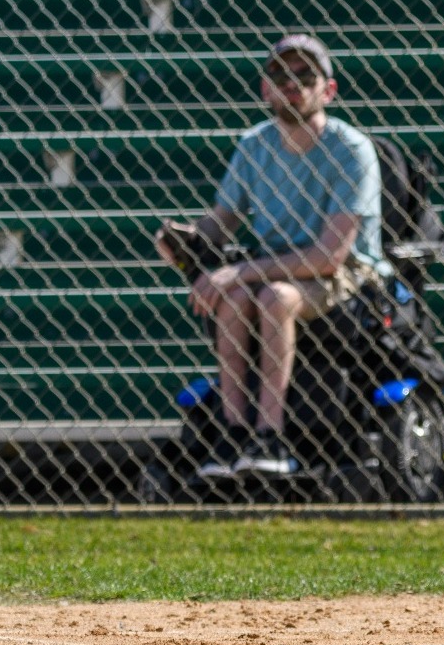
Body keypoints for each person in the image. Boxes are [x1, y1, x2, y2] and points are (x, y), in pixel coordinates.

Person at [152, 34, 389, 479]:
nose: (292, 85)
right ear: (265, 89)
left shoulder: (351, 149)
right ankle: (234, 432)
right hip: (273, 264)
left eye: (305, 76)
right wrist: (183, 239)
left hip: (347, 277)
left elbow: (330, 256)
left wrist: (236, 272)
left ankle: (270, 434)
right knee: (236, 298)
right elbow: (219, 223)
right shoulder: (254, 145)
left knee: (273, 297)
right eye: (280, 76)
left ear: (328, 90)